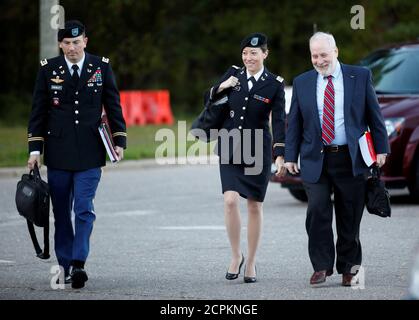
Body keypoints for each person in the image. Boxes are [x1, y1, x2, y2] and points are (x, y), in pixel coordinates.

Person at [284, 32, 390, 286]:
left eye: (323, 54)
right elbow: (294, 123)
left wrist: (381, 148)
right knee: (318, 210)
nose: (319, 60)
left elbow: (374, 115)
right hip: (315, 158)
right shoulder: (302, 82)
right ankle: (321, 266)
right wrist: (289, 155)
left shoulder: (360, 76)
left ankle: (349, 268)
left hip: (350, 157)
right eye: (314, 55)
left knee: (349, 215)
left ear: (336, 52)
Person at [27, 20, 127, 289]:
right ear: (61, 44)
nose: (72, 47)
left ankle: (79, 263)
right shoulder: (49, 70)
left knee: (84, 208)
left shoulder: (101, 67)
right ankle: (65, 264)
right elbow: (38, 112)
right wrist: (35, 150)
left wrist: (119, 139)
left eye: (77, 42)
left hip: (90, 152)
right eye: (67, 43)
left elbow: (113, 104)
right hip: (58, 153)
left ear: (85, 41)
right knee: (61, 212)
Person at [205, 33, 286, 283]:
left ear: (265, 54)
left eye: (253, 53)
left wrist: (280, 153)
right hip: (230, 145)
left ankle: (250, 261)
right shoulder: (233, 75)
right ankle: (235, 255)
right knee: (230, 200)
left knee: (254, 205)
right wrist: (222, 87)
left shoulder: (274, 83)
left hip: (257, 150)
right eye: (245, 53)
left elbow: (280, 120)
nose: (248, 57)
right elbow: (210, 101)